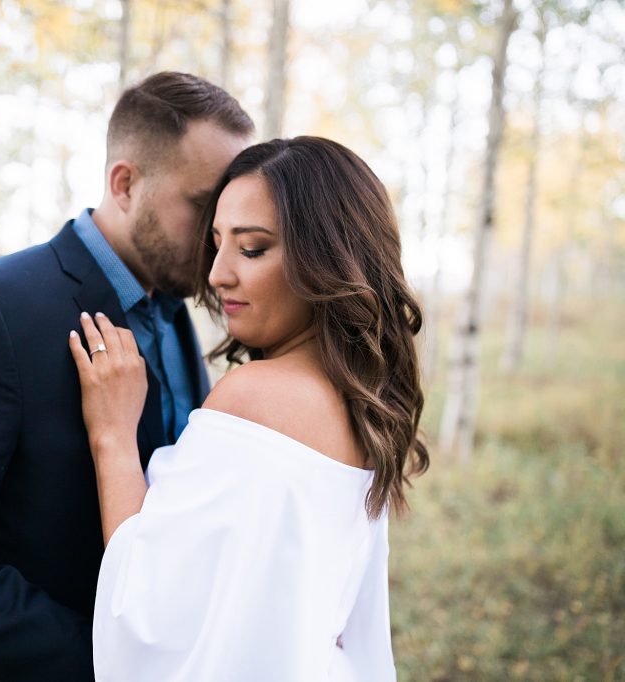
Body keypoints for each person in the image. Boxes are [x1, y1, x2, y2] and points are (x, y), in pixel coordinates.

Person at [0, 72, 253, 682]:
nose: (216, 244)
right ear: (124, 184)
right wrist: (99, 663)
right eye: (202, 208)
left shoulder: (176, 316)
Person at [69, 137, 430, 681]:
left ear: (327, 259)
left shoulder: (254, 398)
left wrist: (113, 436)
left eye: (253, 248)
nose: (217, 274)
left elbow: (146, 618)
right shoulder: (364, 401)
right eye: (216, 243)